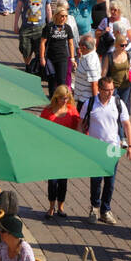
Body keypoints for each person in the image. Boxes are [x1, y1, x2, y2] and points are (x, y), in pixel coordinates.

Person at [83, 78, 131, 224]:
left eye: (112, 89)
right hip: (96, 148)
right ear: (99, 89)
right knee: (96, 180)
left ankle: (106, 210)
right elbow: (82, 124)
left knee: (110, 181)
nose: (110, 92)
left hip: (112, 148)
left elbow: (127, 125)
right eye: (107, 90)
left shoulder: (118, 103)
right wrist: (82, 143)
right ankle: (94, 207)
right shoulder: (90, 103)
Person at [42, 86, 82, 218]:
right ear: (56, 98)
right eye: (62, 98)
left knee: (63, 181)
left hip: (66, 150)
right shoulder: (48, 111)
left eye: (67, 98)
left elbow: (78, 127)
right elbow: (40, 128)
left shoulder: (71, 111)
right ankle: (51, 207)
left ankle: (61, 207)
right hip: (51, 150)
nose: (64, 101)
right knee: (52, 181)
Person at [14, 0, 50, 69]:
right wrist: (16, 24)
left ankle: (37, 69)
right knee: (25, 50)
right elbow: (18, 9)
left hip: (40, 28)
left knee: (40, 51)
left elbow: (48, 9)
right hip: (26, 28)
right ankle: (28, 66)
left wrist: (50, 24)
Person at [42, 3, 76, 93]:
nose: (64, 18)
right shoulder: (49, 27)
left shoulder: (67, 28)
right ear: (56, 15)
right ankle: (52, 102)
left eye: (65, 16)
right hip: (50, 57)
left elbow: (71, 43)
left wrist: (72, 58)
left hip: (63, 57)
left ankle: (61, 102)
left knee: (61, 81)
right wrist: (42, 57)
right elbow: (42, 43)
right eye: (62, 16)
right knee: (52, 81)